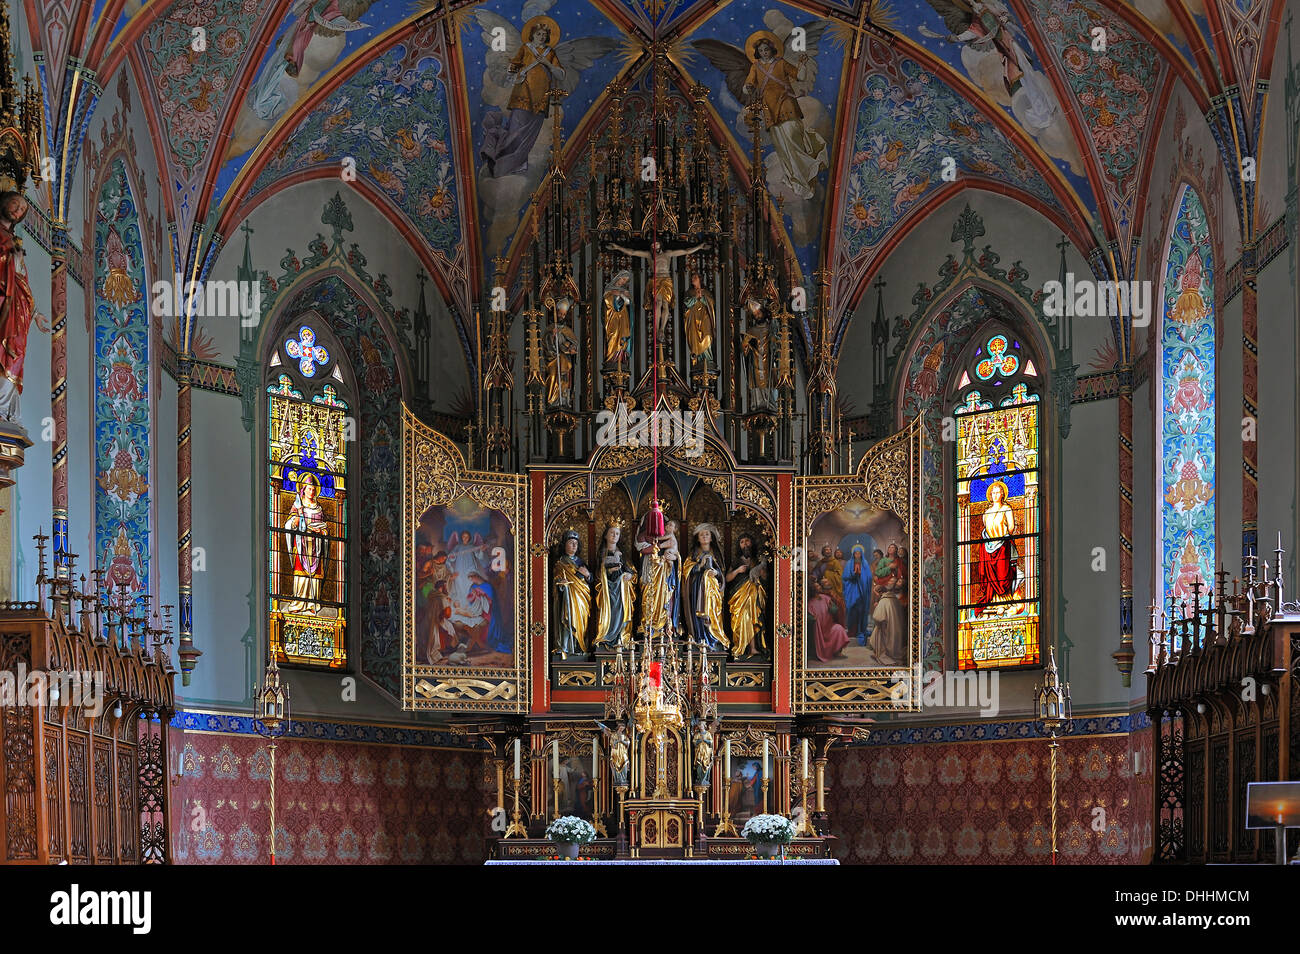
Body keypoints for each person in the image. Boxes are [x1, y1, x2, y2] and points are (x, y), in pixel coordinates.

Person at [741, 33, 828, 200]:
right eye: (761, 50)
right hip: (770, 112)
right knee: (782, 148)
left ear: (772, 50)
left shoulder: (780, 63)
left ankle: (808, 170)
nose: (765, 52)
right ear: (758, 52)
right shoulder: (755, 67)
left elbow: (800, 76)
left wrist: (802, 64)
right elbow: (748, 84)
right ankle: (795, 179)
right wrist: (748, 88)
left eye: (767, 49)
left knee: (792, 141)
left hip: (786, 105)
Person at [480, 17, 565, 178]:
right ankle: (498, 159)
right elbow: (514, 66)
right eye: (539, 33)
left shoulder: (550, 53)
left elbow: (560, 74)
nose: (541, 36)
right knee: (515, 130)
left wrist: (547, 63)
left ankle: (517, 164)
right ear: (532, 35)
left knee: (529, 136)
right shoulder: (526, 49)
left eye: (544, 34)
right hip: (523, 95)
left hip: (541, 100)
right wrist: (510, 66)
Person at [0, 191, 49, 423]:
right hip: (2, 301)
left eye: (21, 210)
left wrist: (36, 312)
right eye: (15, 204)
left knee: (15, 349)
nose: (17, 211)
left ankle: (5, 409)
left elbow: (22, 281)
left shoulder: (13, 243)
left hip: (17, 308)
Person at [282, 472, 327, 613]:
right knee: (300, 573)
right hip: (302, 544)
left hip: (316, 545)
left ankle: (312, 604)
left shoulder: (319, 508)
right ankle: (299, 603)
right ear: (304, 489)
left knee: (315, 575)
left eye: (314, 489)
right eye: (309, 489)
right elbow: (289, 524)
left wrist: (322, 532)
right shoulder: (298, 505)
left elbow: (325, 527)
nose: (312, 491)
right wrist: (295, 522)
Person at [974, 480, 1019, 616]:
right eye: (993, 493)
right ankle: (993, 601)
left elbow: (1011, 527)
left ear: (1002, 494)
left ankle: (1005, 601)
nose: (995, 495)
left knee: (1003, 572)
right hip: (989, 546)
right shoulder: (986, 512)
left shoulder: (1006, 509)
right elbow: (986, 529)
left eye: (997, 492)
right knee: (990, 574)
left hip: (1003, 545)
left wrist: (1001, 538)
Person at [682, 523, 727, 651]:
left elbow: (722, 573)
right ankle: (701, 639)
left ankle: (713, 639)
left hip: (713, 592)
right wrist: (700, 565)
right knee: (699, 616)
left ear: (711, 538)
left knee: (713, 614)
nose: (705, 537)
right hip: (698, 591)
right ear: (698, 538)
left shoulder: (716, 554)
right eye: (702, 535)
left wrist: (716, 573)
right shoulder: (694, 554)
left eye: (707, 534)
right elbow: (686, 572)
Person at [594, 521, 637, 648]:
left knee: (621, 614)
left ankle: (621, 638)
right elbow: (596, 575)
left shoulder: (624, 555)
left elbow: (632, 572)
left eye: (617, 533)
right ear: (605, 536)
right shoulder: (602, 554)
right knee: (608, 615)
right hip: (607, 592)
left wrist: (629, 576)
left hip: (621, 592)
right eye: (612, 533)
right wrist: (607, 571)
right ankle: (606, 637)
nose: (614, 535)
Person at [726, 533, 768, 657]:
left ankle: (754, 648)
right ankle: (741, 647)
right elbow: (727, 578)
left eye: (747, 541)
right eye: (742, 542)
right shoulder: (736, 561)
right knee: (743, 619)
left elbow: (766, 578)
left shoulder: (757, 560)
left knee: (754, 619)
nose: (745, 544)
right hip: (739, 597)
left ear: (752, 543)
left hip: (755, 597)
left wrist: (761, 569)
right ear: (739, 546)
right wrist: (737, 571)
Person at [552, 530, 592, 655]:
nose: (574, 546)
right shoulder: (561, 563)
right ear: (565, 545)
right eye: (571, 543)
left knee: (580, 622)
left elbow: (590, 578)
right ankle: (565, 647)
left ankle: (579, 646)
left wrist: (587, 575)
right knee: (567, 619)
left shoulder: (581, 562)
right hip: (568, 596)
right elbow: (556, 579)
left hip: (581, 598)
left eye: (576, 543)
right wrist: (561, 583)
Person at [808, 579, 850, 663]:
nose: (819, 587)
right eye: (817, 586)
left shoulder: (826, 598)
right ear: (813, 589)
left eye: (819, 585)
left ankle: (837, 652)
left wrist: (832, 608)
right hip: (819, 630)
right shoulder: (810, 603)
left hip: (829, 627)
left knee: (839, 629)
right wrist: (812, 618)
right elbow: (808, 616)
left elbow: (835, 610)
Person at [842, 544, 872, 645]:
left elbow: (869, 578)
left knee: (861, 611)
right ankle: (852, 631)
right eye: (856, 553)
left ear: (862, 554)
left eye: (859, 553)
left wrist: (861, 576)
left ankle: (861, 630)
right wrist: (853, 575)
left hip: (862, 591)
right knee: (851, 610)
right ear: (853, 554)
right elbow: (845, 577)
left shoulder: (865, 563)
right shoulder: (849, 563)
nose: (857, 555)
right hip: (851, 590)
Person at [683, 272, 714, 367]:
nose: (693, 279)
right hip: (693, 319)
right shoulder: (689, 292)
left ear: (700, 279)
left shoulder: (706, 292)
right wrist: (696, 297)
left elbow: (712, 304)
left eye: (695, 277)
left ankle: (708, 360)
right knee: (694, 338)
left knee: (707, 336)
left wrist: (703, 297)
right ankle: (698, 358)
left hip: (704, 318)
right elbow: (687, 304)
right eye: (692, 277)